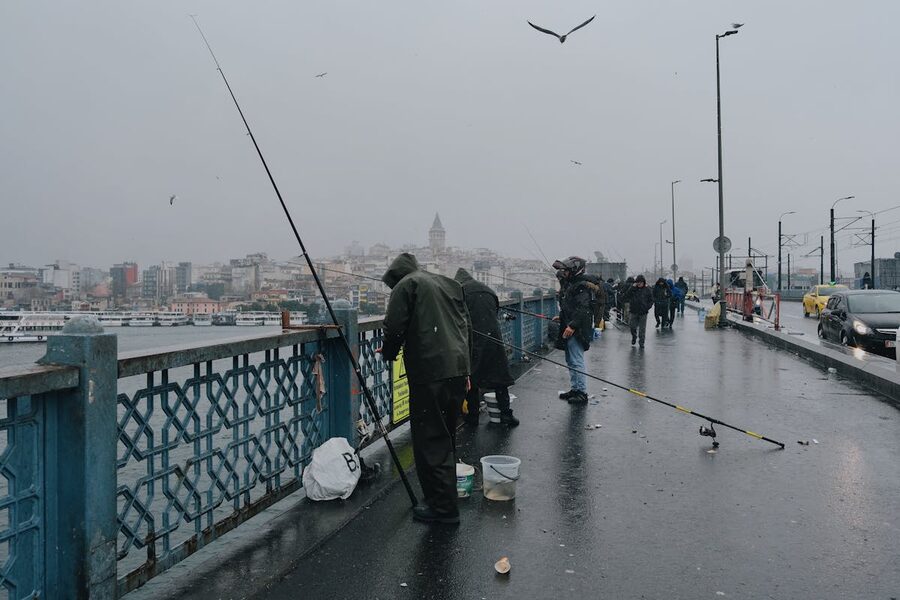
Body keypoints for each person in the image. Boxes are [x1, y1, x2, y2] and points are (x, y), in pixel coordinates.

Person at [381, 253, 472, 525]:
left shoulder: (407, 285)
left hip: (430, 371)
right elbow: (464, 326)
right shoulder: (447, 283)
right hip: (456, 368)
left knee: (430, 438)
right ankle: (445, 499)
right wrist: (466, 368)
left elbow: (395, 326)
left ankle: (443, 509)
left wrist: (388, 352)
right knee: (445, 435)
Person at [454, 268, 518, 428]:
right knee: (499, 379)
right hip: (493, 337)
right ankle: (506, 414)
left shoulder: (460, 291)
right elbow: (495, 311)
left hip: (473, 339)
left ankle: (473, 417)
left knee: (471, 380)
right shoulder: (487, 289)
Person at [552, 257, 595, 404]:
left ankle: (581, 392)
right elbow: (570, 306)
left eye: (566, 271)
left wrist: (572, 325)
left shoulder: (581, 286)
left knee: (576, 360)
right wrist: (561, 317)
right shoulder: (573, 284)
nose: (564, 274)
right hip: (570, 325)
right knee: (570, 360)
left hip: (577, 329)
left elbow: (583, 309)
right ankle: (575, 389)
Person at [627, 275, 654, 348]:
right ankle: (634, 336)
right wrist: (632, 287)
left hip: (643, 312)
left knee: (642, 329)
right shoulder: (633, 289)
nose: (639, 284)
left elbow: (651, 300)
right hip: (633, 311)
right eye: (638, 282)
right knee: (632, 326)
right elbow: (627, 295)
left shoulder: (647, 289)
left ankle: (641, 342)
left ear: (643, 282)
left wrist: (647, 307)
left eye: (641, 282)